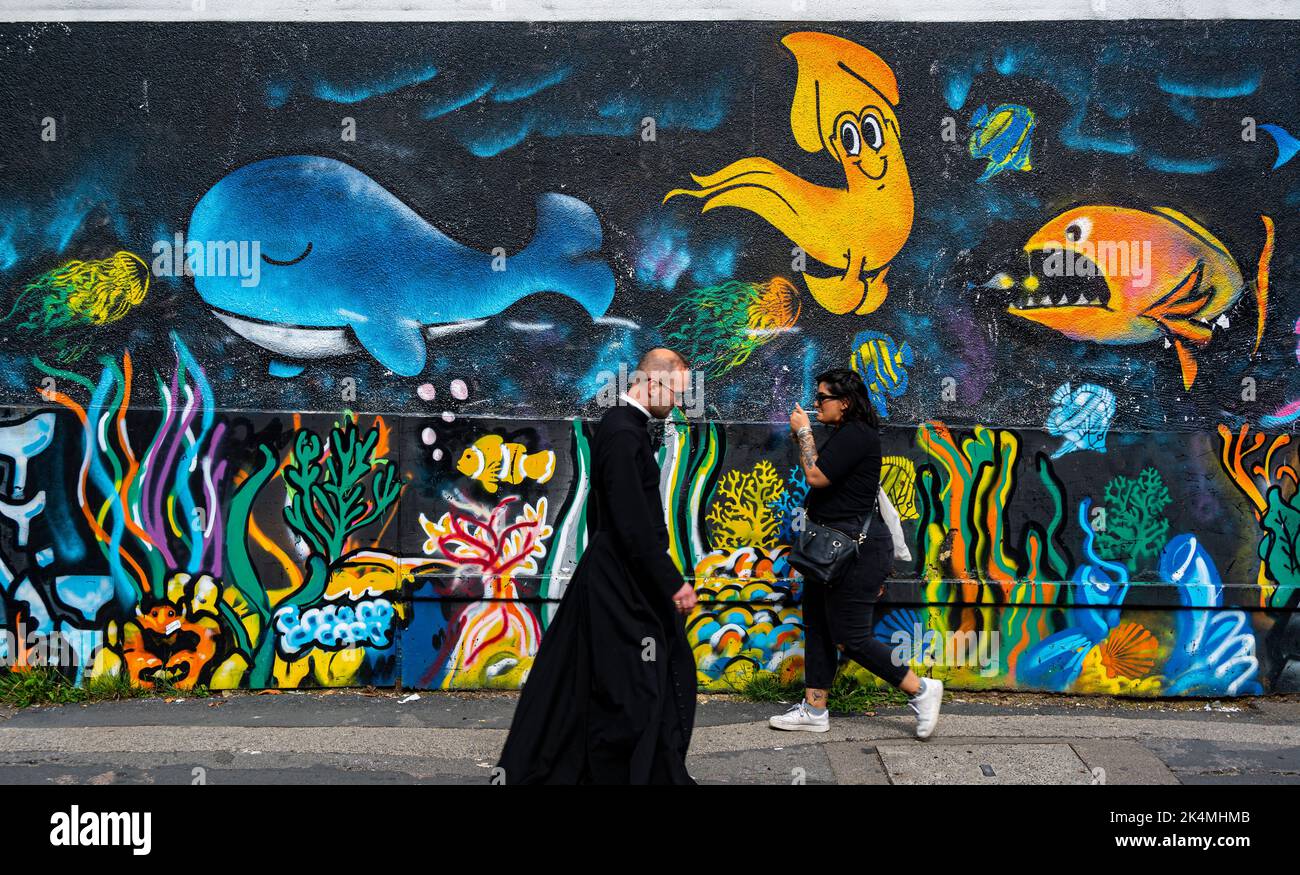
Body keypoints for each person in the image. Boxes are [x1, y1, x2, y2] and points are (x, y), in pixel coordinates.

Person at [494, 348, 699, 783]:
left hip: (614, 571)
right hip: (621, 577)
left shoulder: (623, 427)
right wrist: (670, 581)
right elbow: (629, 519)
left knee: (599, 676)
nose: (677, 405)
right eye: (675, 394)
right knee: (636, 684)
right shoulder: (625, 433)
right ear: (652, 383)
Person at [770, 367, 943, 739]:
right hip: (830, 548)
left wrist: (803, 432)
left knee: (851, 635)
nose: (816, 404)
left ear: (844, 403)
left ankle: (921, 690)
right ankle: (815, 709)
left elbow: (816, 476)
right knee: (817, 623)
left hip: (856, 550)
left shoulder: (857, 435)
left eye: (823, 398)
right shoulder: (844, 434)